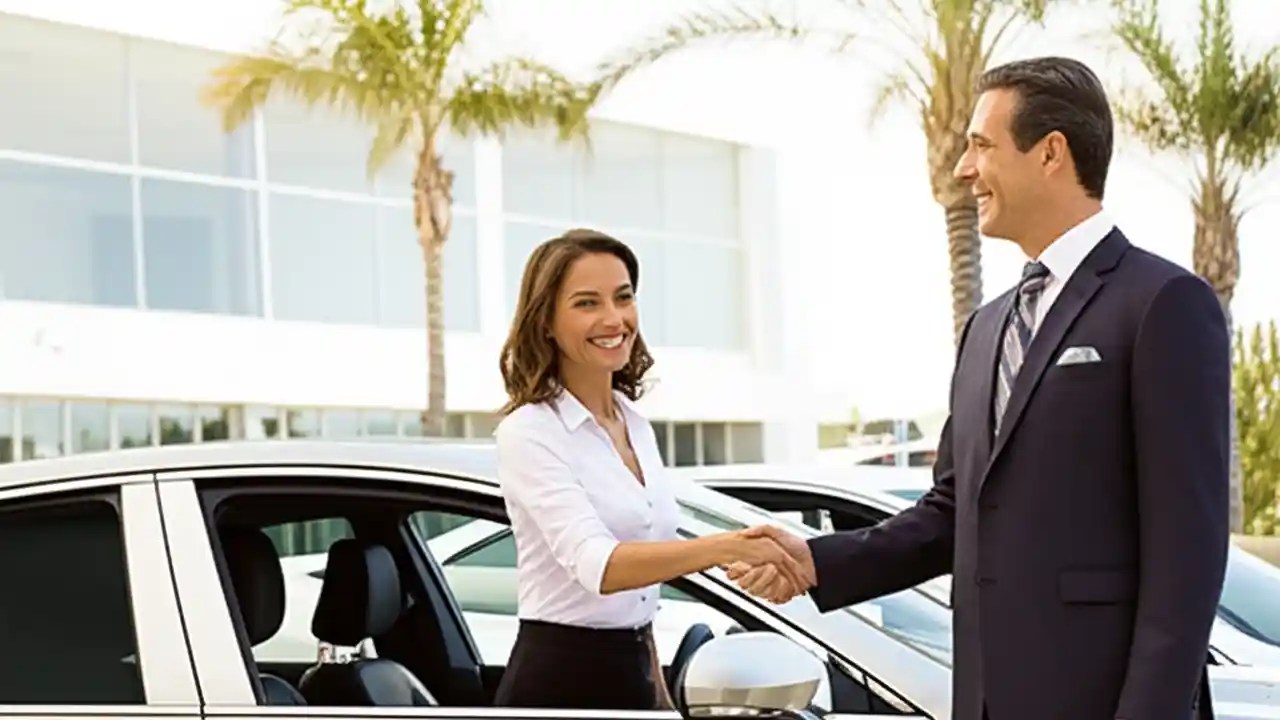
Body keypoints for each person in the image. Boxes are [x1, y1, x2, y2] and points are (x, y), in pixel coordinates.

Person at [731, 56, 1230, 720]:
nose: (964, 168)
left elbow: (1186, 559)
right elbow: (951, 515)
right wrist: (817, 562)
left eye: (980, 145)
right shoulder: (986, 328)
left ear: (1050, 152)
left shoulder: (1164, 302)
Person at [491, 228, 811, 710]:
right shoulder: (531, 432)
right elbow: (599, 566)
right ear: (546, 323)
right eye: (586, 303)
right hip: (558, 684)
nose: (613, 318)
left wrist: (658, 690)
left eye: (624, 298)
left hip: (635, 671)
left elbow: (641, 591)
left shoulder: (635, 423)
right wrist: (725, 546)